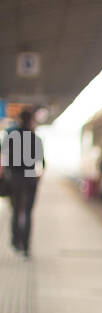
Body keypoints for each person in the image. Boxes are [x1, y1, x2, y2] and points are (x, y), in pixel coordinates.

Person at [0, 107, 45, 257]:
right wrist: (38, 179)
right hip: (30, 178)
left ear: (19, 119)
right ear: (31, 120)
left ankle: (15, 241)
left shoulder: (11, 136)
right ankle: (26, 246)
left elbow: (3, 158)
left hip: (14, 178)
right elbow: (41, 163)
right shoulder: (35, 138)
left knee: (15, 211)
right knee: (27, 212)